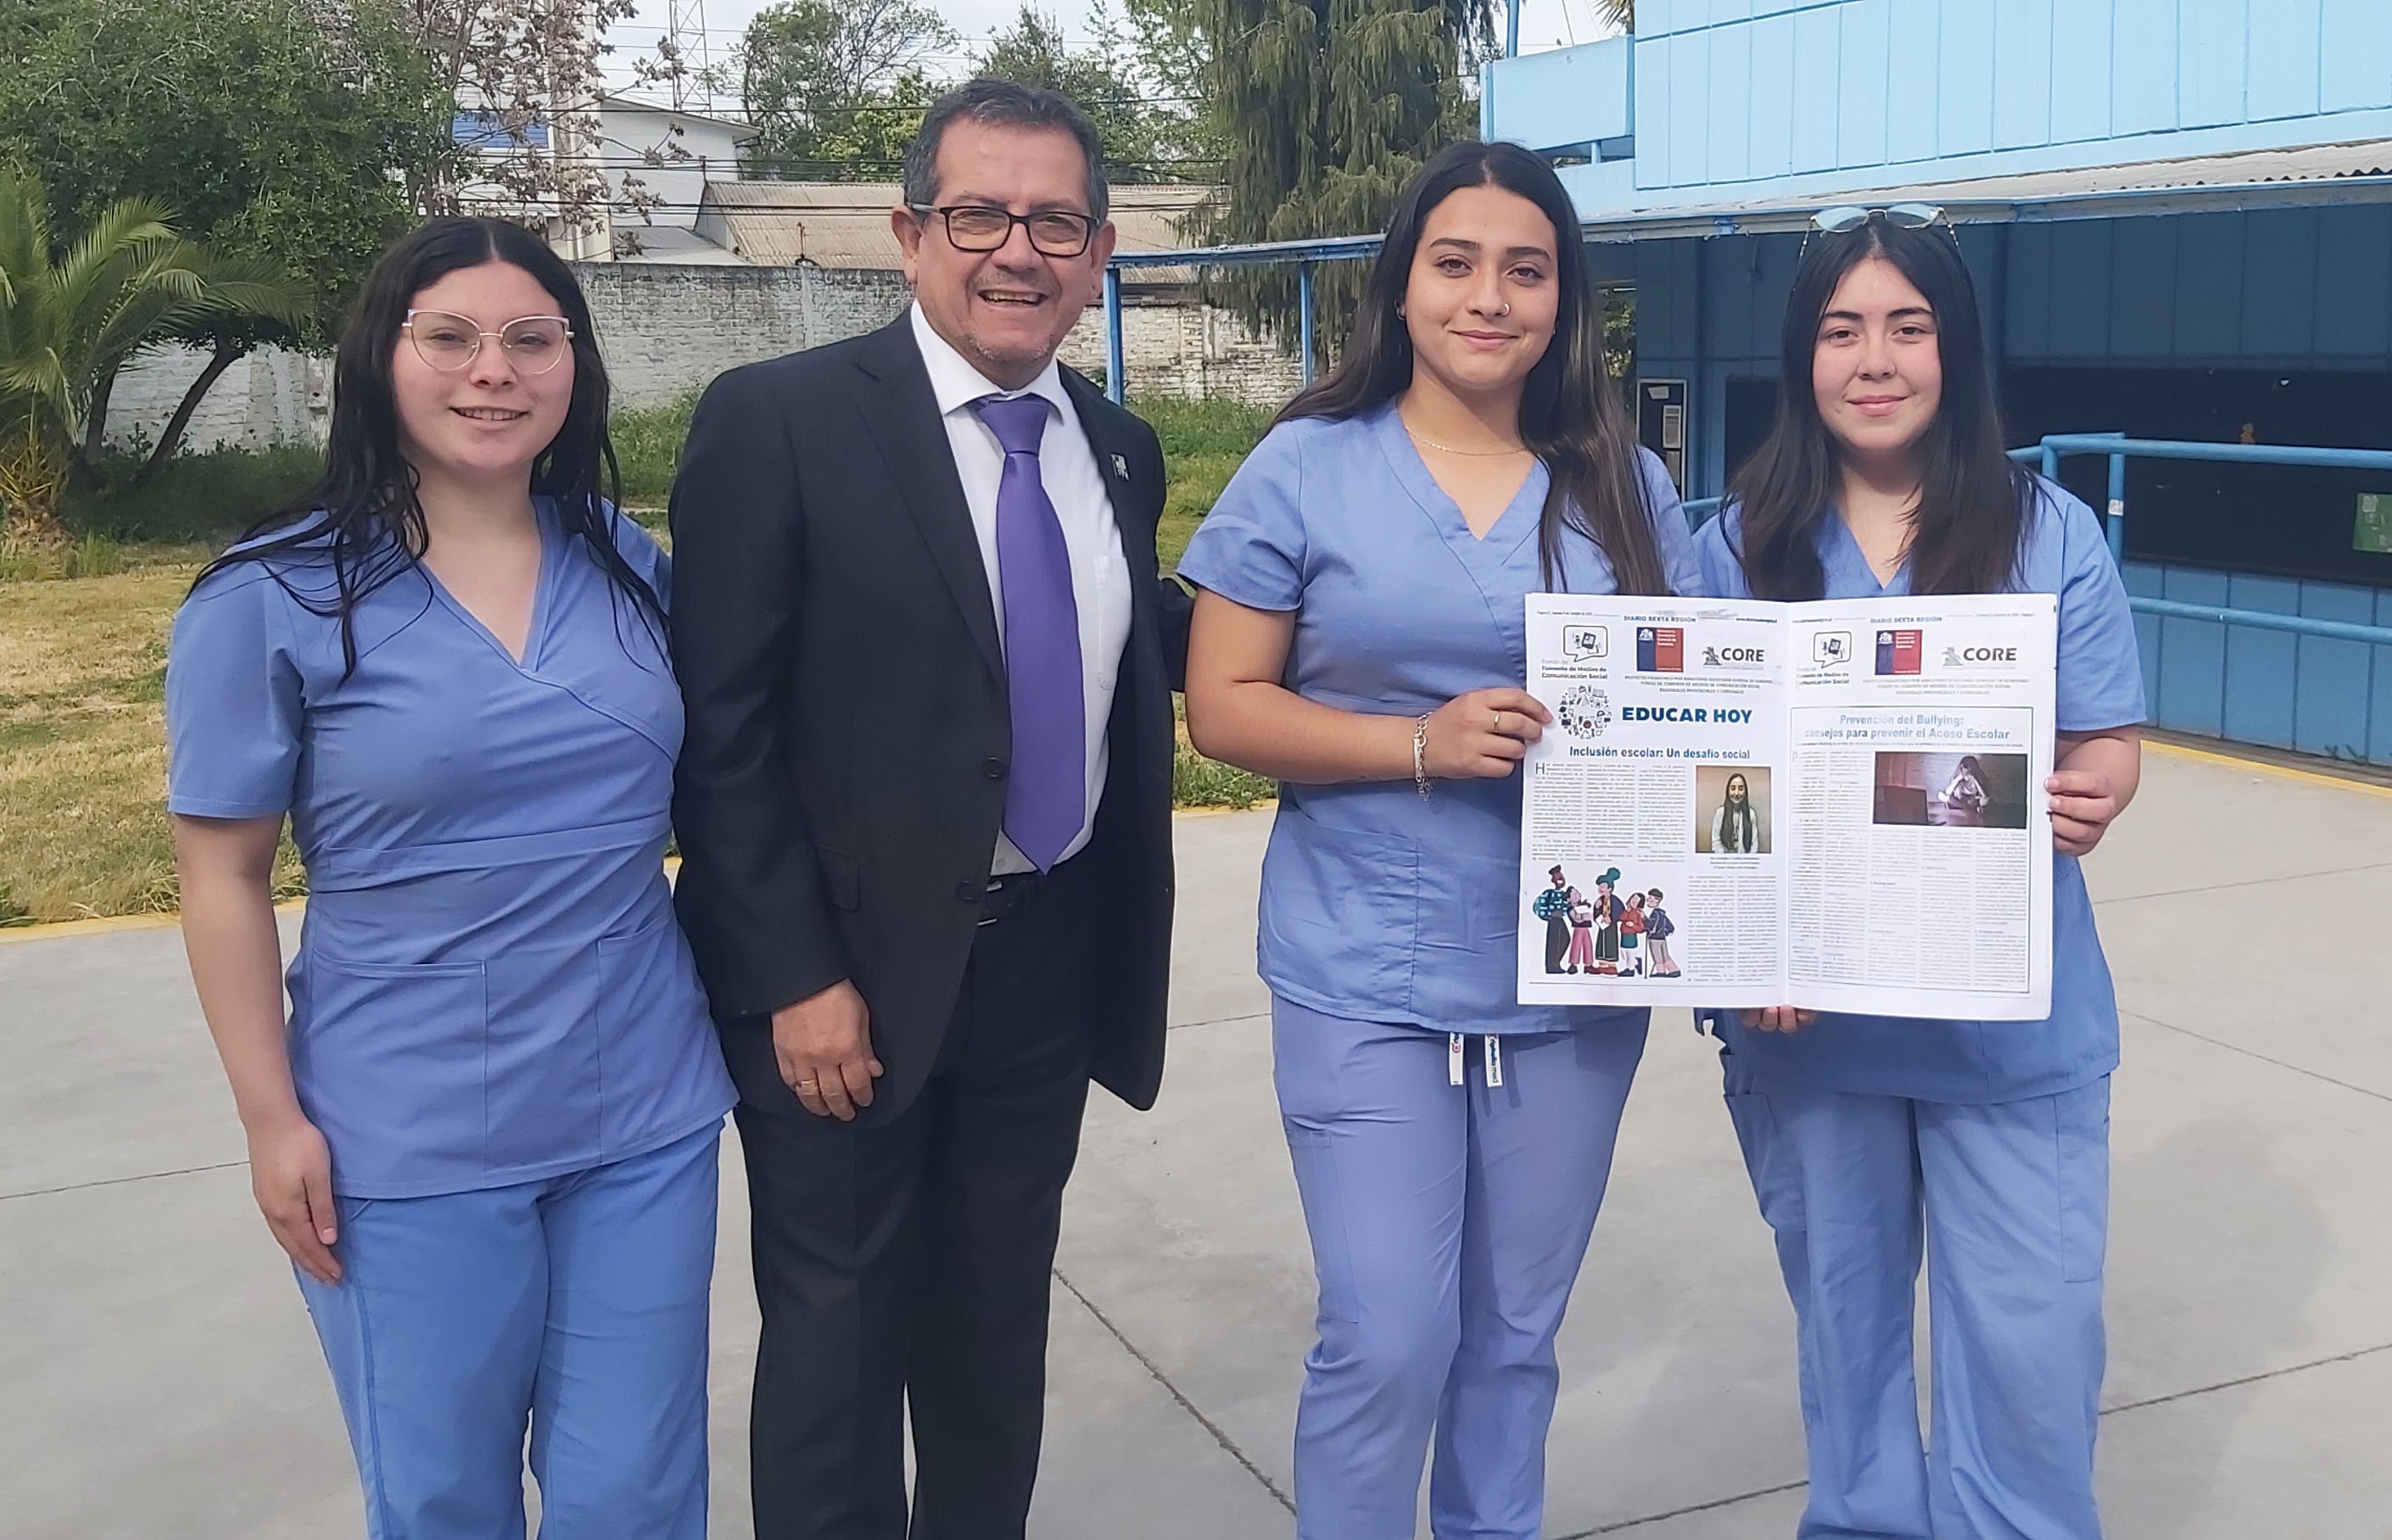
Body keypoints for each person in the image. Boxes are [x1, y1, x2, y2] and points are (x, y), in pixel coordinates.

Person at [665, 79, 1190, 1540]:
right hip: (846, 986)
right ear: (910, 233)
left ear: (1097, 254)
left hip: (1043, 962)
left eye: (1057, 222)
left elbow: (1111, 641)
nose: (1017, 250)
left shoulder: (1118, 446)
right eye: (979, 215)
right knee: (836, 1350)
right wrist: (792, 977)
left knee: (991, 1337)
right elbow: (723, 729)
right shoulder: (778, 423)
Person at [166, 217, 735, 1539]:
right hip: (402, 1131)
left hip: (641, 1109)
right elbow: (223, 877)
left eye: (534, 339)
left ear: (575, 369)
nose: (496, 371)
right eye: (452, 337)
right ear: (382, 358)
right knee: (442, 1500)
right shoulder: (273, 595)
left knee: (638, 1495)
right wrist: (270, 1119)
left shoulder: (627, 561)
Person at [1178, 139, 1699, 1540]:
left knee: (1515, 1337)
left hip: (1579, 975)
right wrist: (1415, 744)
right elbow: (1221, 705)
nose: (1490, 296)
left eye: (1526, 269)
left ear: (1565, 300)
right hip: (1366, 974)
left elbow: (1716, 705)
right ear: (1400, 288)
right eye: (1454, 262)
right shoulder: (1309, 465)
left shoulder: (1626, 487)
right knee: (1388, 1333)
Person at [1696, 205, 2144, 1540]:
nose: (1874, 359)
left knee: (2033, 1350)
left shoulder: (2048, 532)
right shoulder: (1738, 544)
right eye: (1841, 331)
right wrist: (1738, 943)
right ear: (1802, 355)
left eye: (1907, 327)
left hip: (2009, 1029)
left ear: (1955, 352)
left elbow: (2106, 739)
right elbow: (1706, 777)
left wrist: (2098, 789)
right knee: (1848, 1350)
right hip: (1810, 1027)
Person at [1534, 866, 1573, 973]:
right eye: (1558, 879)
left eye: (1562, 879)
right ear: (1553, 881)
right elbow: (1537, 906)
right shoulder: (1549, 893)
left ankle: (1555, 964)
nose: (1561, 881)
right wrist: (1547, 915)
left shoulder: (1563, 894)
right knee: (1554, 943)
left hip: (1560, 919)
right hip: (1554, 921)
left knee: (1565, 939)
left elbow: (1566, 906)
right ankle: (1552, 967)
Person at [1712, 770, 1760, 853]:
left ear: (1745, 792)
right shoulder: (1720, 813)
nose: (1737, 793)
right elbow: (1716, 842)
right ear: (1728, 791)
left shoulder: (1751, 814)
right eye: (1733, 788)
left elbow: (1754, 844)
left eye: (1741, 789)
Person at [1942, 753, 1990, 825]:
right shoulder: (1957, 777)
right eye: (1965, 769)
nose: (1967, 772)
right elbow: (1947, 792)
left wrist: (1975, 780)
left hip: (1972, 802)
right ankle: (1966, 808)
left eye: (1970, 769)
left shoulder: (1978, 778)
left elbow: (1984, 795)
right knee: (1942, 796)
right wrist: (1959, 778)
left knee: (1987, 800)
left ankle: (1969, 808)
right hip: (1959, 802)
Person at [1644, 890, 1678, 977]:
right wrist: (1664, 932)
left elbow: (1650, 925)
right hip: (1662, 939)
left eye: (1651, 899)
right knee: (1665, 955)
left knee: (1658, 957)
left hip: (1654, 939)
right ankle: (1674, 970)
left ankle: (1661, 972)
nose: (1648, 901)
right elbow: (1670, 927)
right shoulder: (1662, 914)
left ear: (1657, 900)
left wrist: (1643, 918)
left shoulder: (1655, 914)